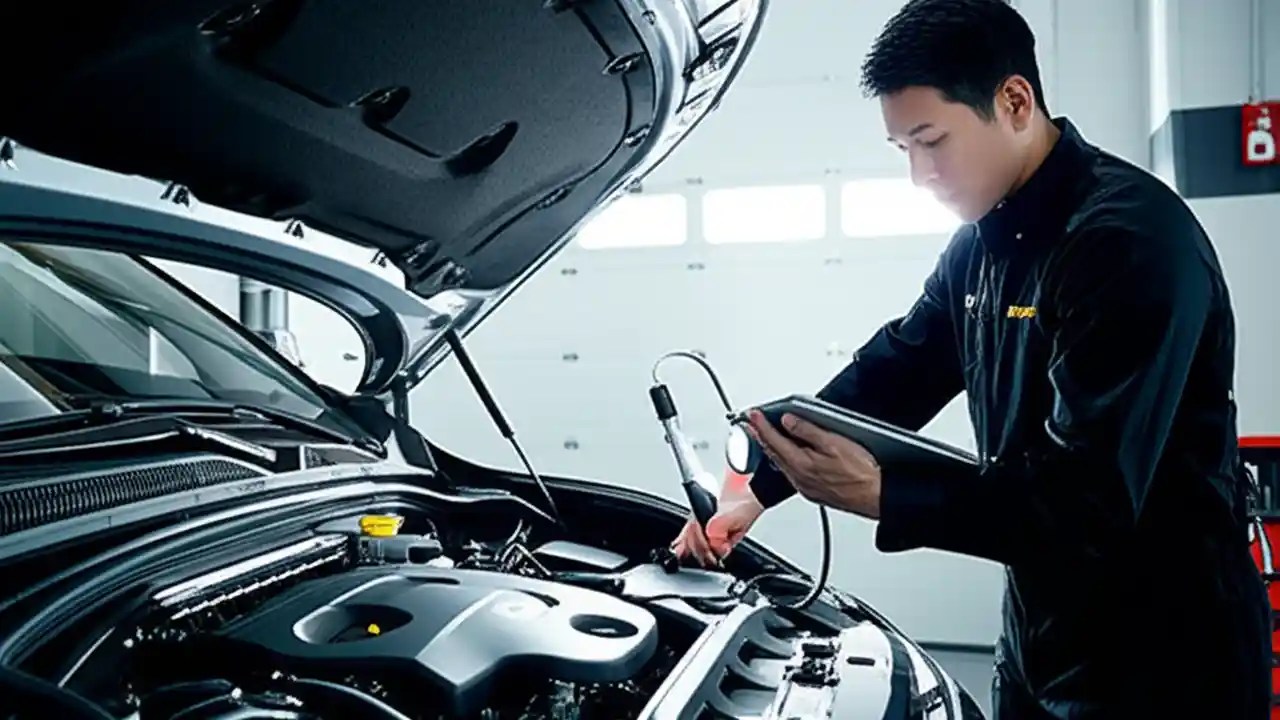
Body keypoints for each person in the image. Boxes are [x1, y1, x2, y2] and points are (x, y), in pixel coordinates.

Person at [670, 0, 1272, 717]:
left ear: (1014, 102)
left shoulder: (1127, 244)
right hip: (1039, 638)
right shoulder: (979, 245)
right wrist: (758, 485)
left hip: (1166, 658)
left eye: (932, 141)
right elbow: (899, 369)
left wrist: (885, 495)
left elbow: (1090, 504)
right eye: (902, 149)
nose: (919, 175)